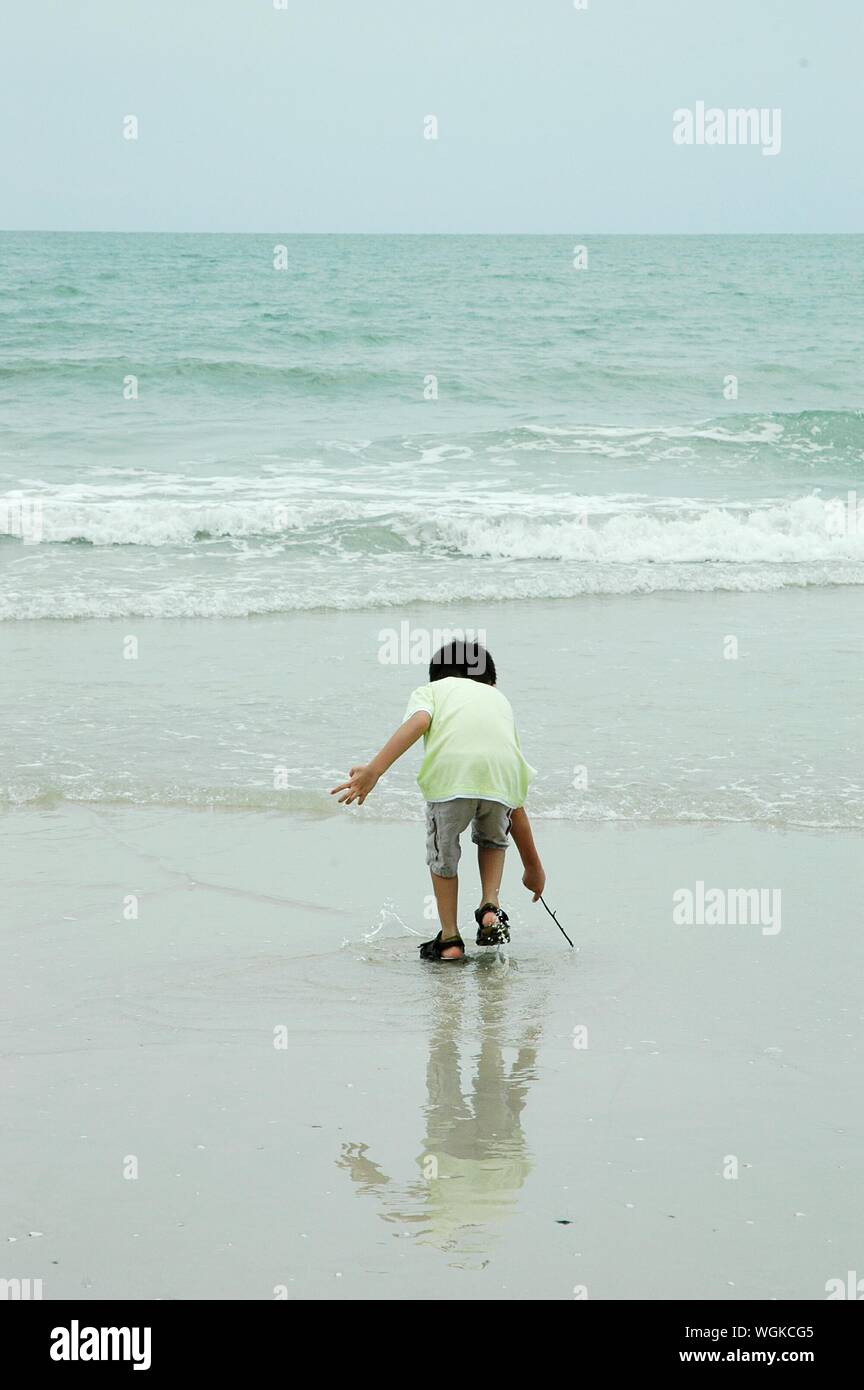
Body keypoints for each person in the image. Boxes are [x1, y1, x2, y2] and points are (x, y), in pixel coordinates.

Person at [330, 640, 545, 961]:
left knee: (444, 855)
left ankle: (450, 940)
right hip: (501, 779)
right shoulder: (499, 701)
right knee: (492, 839)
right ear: (491, 681)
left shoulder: (431, 691)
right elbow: (517, 805)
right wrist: (533, 868)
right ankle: (490, 907)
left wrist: (375, 771)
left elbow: (418, 723)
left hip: (451, 780)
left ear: (438, 677)